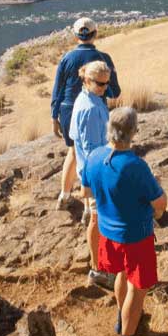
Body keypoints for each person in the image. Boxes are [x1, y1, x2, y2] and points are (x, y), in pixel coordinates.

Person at [80, 107, 166, 336]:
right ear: (134, 132)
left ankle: (122, 315)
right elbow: (160, 203)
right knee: (138, 291)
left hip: (108, 233)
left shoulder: (95, 156)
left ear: (109, 129)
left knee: (121, 275)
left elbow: (85, 191)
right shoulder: (135, 165)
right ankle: (127, 331)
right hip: (136, 237)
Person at [52, 17, 121, 205]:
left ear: (75, 36)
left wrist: (54, 117)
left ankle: (64, 195)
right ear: (95, 34)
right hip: (94, 110)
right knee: (95, 153)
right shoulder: (104, 59)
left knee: (73, 152)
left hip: (68, 110)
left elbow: (57, 90)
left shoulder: (66, 58)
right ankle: (90, 204)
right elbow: (115, 92)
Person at [69, 60, 115, 289]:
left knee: (97, 218)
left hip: (92, 171)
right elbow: (91, 151)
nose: (104, 88)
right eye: (100, 84)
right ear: (87, 80)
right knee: (97, 220)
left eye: (106, 84)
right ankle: (98, 270)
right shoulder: (90, 109)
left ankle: (102, 265)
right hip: (97, 174)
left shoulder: (86, 99)